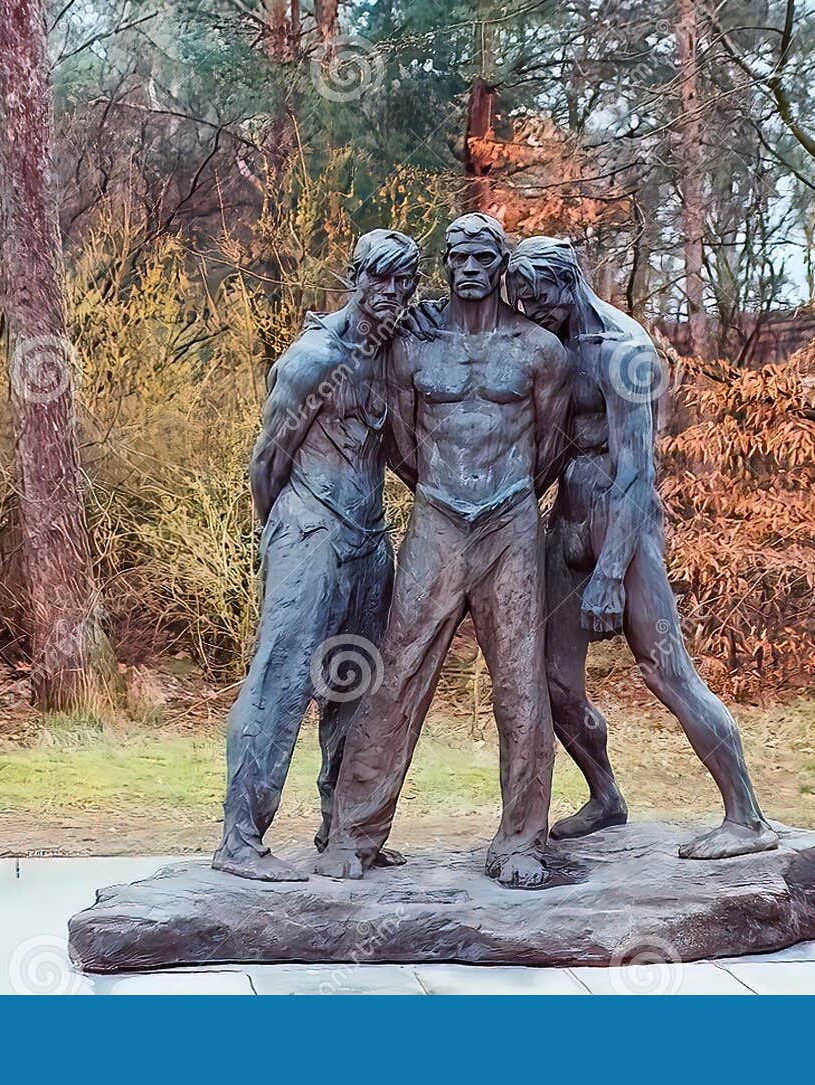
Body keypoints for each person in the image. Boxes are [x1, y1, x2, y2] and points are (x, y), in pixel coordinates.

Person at [313, 213, 573, 888]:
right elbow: (401, 438)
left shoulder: (540, 349)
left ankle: (522, 839)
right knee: (395, 673)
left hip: (510, 523)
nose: (466, 266)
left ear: (501, 262)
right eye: (455, 255)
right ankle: (354, 831)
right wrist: (445, 491)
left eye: (481, 255)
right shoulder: (412, 347)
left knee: (520, 681)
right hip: (436, 521)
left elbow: (549, 445)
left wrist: (507, 494)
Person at [507, 235, 779, 859]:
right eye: (519, 298)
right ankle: (606, 797)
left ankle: (745, 816)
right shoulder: (549, 340)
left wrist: (608, 572)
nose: (528, 309)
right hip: (568, 520)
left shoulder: (624, 352)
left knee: (667, 672)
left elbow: (636, 474)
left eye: (538, 296)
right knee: (553, 681)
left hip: (621, 526)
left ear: (569, 280)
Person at [212, 229, 421, 882]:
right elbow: (267, 462)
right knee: (281, 682)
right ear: (354, 278)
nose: (390, 294)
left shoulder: (392, 360)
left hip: (369, 540)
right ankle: (241, 840)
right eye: (379, 279)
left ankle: (343, 831)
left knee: (356, 687)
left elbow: (407, 456)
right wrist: (281, 539)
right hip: (308, 535)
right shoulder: (313, 359)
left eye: (403, 284)